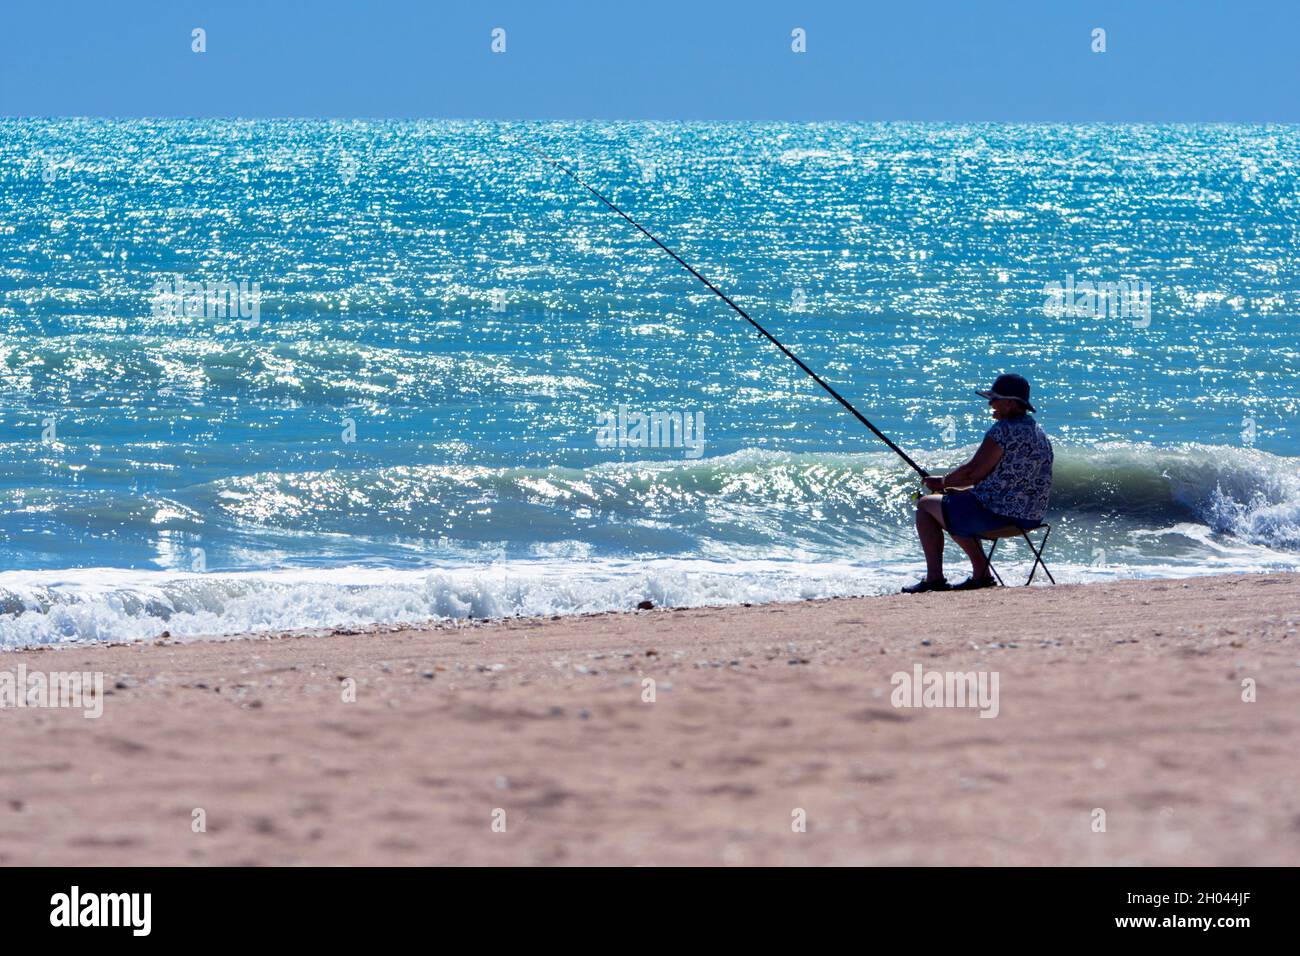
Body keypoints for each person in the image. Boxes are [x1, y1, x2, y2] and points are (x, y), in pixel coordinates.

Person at [901, 373, 1053, 592]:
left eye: (995, 399)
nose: (990, 403)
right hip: (1030, 517)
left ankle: (935, 578)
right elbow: (1008, 482)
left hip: (999, 516)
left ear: (1010, 403)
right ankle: (981, 575)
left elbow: (972, 472)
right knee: (953, 503)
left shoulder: (1004, 430)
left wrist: (942, 482)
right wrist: (955, 489)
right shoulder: (1037, 431)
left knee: (925, 505)